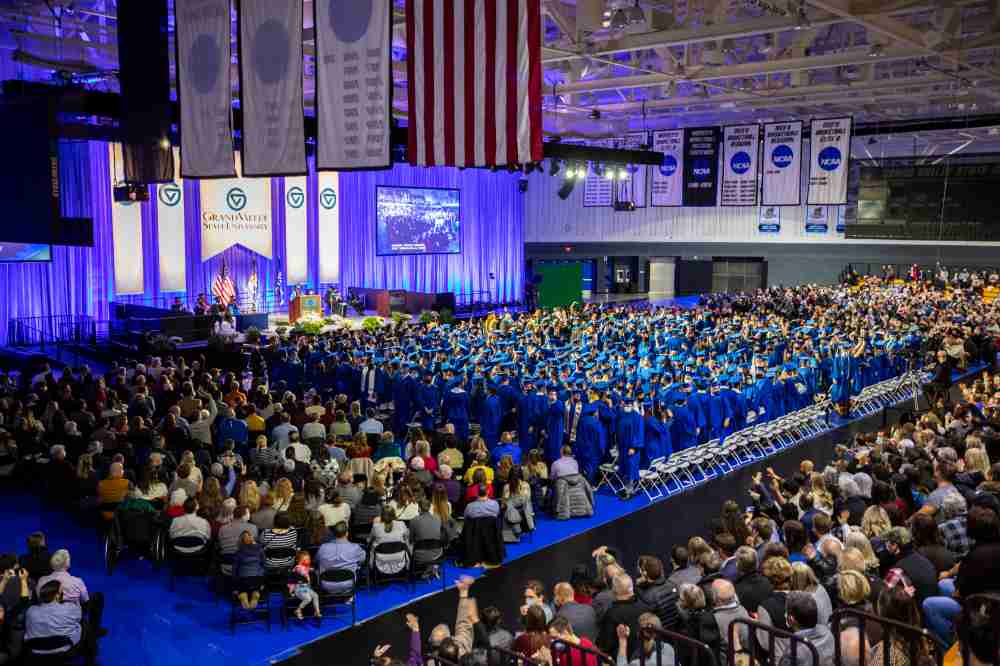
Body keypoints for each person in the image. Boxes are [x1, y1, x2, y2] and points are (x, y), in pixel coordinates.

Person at [598, 573, 650, 657]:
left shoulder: (612, 614)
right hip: (645, 656)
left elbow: (606, 645)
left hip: (623, 659)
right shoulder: (645, 606)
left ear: (614, 591)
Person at [778, 591, 834, 666]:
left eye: (786, 612)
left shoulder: (792, 653)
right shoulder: (828, 634)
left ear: (791, 619)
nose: (785, 615)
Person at [317, 521, 366, 594]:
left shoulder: (322, 548)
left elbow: (317, 560)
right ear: (347, 533)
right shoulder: (355, 548)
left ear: (333, 534)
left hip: (326, 585)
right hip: (348, 584)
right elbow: (363, 560)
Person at [233, 530, 265, 609]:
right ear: (252, 538)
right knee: (256, 588)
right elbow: (264, 564)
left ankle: (243, 595)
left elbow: (235, 569)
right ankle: (256, 592)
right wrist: (262, 582)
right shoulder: (260, 549)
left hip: (244, 579)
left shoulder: (239, 552)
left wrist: (235, 586)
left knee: (242, 590)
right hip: (257, 578)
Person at [288, 551, 321, 621]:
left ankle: (317, 611)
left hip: (306, 588)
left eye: (309, 559)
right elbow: (302, 571)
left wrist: (311, 569)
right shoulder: (297, 567)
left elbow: (307, 569)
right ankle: (298, 610)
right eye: (306, 560)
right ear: (299, 561)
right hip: (299, 589)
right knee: (308, 598)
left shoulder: (305, 567)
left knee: (316, 596)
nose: (308, 561)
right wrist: (306, 575)